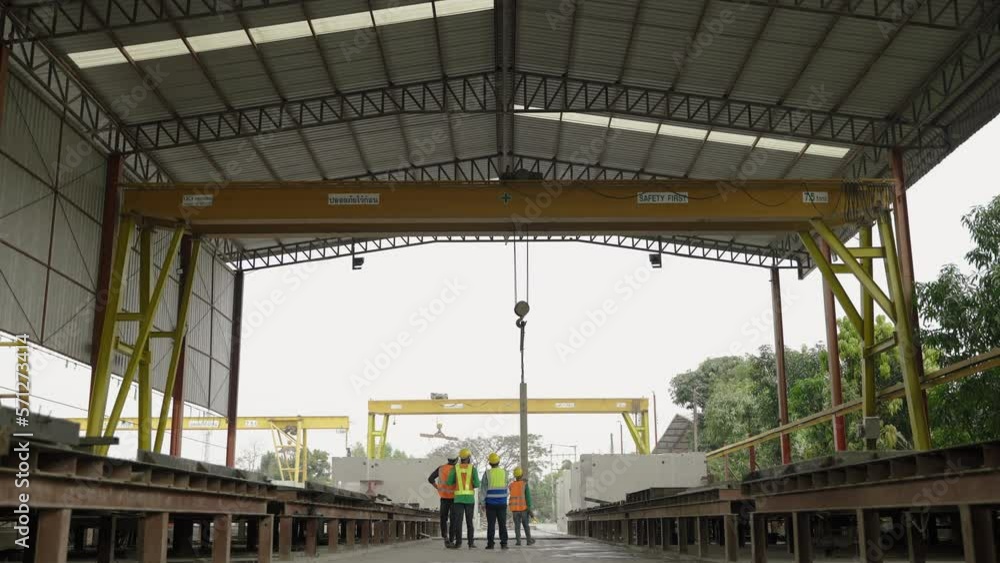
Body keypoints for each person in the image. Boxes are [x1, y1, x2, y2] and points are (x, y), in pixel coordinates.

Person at [445, 448, 480, 549]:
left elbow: (449, 482)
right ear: (469, 458)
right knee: (470, 522)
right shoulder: (472, 468)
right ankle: (471, 543)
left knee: (458, 522)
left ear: (460, 458)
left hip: (458, 500)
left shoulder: (455, 468)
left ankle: (458, 543)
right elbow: (477, 484)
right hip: (469, 499)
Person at [479, 452, 509, 550]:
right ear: (498, 461)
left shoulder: (487, 473)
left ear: (490, 463)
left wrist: (482, 503)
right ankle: (504, 544)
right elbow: (506, 487)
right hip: (502, 503)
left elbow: (483, 489)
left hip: (490, 503)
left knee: (491, 525)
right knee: (502, 524)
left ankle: (490, 544)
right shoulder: (504, 472)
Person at [427, 455, 457, 547]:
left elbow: (430, 479)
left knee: (443, 518)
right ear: (456, 460)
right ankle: (452, 539)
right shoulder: (457, 469)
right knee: (453, 519)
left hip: (444, 497)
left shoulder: (441, 468)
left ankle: (445, 537)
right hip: (454, 498)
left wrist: (437, 487)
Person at [509, 467, 536, 546]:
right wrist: (529, 508)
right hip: (524, 509)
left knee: (517, 526)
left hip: (515, 510)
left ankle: (518, 541)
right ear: (522, 475)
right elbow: (528, 497)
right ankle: (528, 541)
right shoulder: (524, 484)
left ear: (514, 475)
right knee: (526, 526)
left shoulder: (511, 485)